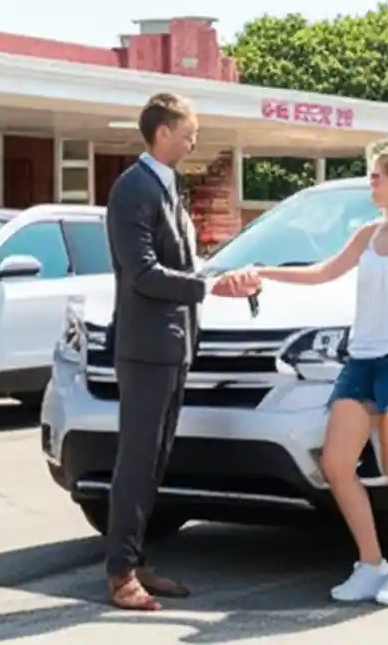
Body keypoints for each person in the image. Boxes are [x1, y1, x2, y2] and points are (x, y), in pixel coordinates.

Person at [216, 141, 388, 607]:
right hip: (359, 362)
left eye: (379, 175)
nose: (372, 182)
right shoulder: (368, 234)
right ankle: (370, 563)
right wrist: (262, 272)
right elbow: (324, 273)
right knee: (337, 464)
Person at [102, 92, 256, 611]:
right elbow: (142, 273)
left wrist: (210, 281)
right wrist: (206, 287)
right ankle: (120, 574)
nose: (195, 141)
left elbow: (183, 261)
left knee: (156, 461)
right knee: (137, 460)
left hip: (174, 345)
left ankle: (137, 559)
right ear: (162, 131)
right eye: (188, 132)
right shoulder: (133, 189)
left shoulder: (169, 187)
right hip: (145, 348)